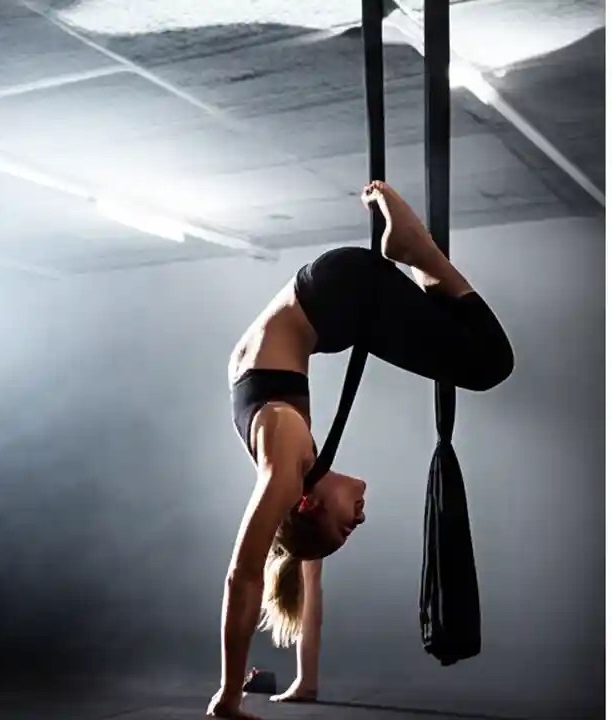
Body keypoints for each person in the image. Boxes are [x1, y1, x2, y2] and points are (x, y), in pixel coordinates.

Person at [206, 181, 514, 719]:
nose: (360, 518)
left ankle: (416, 250)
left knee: (489, 363)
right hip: (332, 301)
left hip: (341, 292)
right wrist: (304, 675)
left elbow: (243, 574)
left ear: (308, 504)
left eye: (346, 526)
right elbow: (299, 579)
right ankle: (416, 253)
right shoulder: (290, 465)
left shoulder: (283, 460)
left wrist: (230, 694)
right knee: (468, 349)